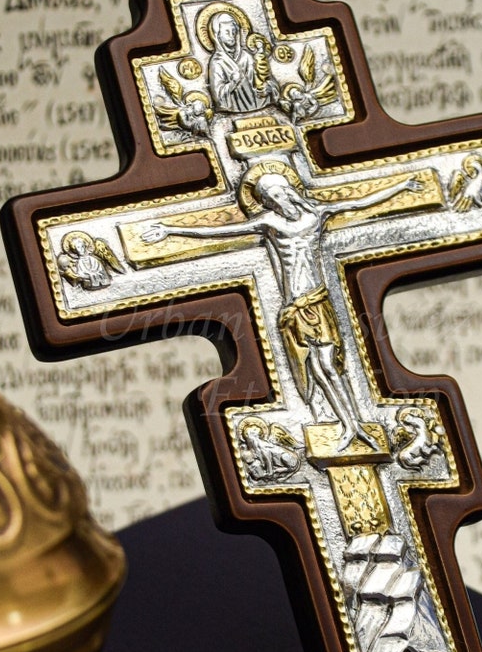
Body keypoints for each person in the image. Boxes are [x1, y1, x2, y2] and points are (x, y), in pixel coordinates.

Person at [142, 164, 423, 449]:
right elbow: (223, 231)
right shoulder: (271, 224)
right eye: (268, 198)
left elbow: (356, 202)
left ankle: (355, 423)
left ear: (288, 191)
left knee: (328, 365)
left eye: (277, 193)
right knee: (315, 369)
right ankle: (347, 424)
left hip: (317, 301)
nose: (275, 200)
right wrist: (170, 229)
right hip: (294, 308)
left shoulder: (316, 214)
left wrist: (399, 187)